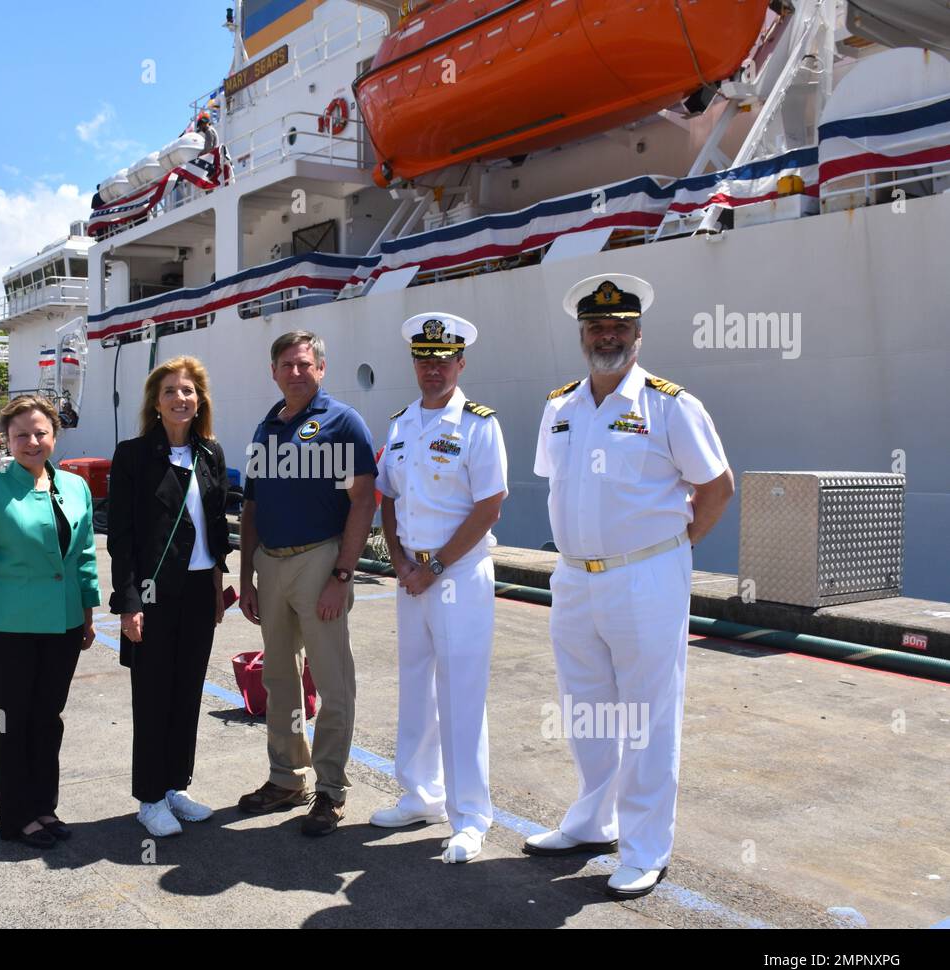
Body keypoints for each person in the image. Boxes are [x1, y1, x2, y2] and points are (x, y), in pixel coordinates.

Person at [525, 273, 735, 898]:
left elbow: (717, 487)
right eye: (596, 327)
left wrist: (672, 549)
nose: (607, 336)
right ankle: (593, 821)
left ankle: (646, 847)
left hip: (646, 576)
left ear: (638, 335)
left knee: (647, 715)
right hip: (574, 577)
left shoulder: (671, 406)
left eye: (619, 327)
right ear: (583, 334)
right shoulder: (559, 407)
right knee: (585, 708)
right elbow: (559, 486)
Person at [370, 313, 508, 864]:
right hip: (412, 578)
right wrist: (400, 561)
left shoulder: (479, 424)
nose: (432, 369)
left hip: (460, 577)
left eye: (442, 360)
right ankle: (421, 794)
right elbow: (386, 497)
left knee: (461, 694)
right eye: (424, 360)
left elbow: (490, 504)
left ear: (460, 364)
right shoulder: (402, 423)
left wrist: (436, 566)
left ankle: (470, 816)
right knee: (416, 686)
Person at [237, 330, 377, 836]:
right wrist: (246, 573)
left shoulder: (343, 422)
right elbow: (251, 504)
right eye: (286, 365)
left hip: (320, 559)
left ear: (321, 368)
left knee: (333, 680)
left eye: (304, 364)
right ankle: (286, 778)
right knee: (279, 678)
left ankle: (331, 789)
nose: (295, 372)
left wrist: (342, 574)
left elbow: (364, 500)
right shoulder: (266, 427)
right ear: (273, 371)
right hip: (270, 563)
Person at [0, 395, 99, 848]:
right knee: (9, 721)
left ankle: (44, 807)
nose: (32, 442)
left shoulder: (75, 487)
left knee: (47, 719)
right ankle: (17, 817)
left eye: (40, 433)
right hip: (8, 630)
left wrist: (87, 614)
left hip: (62, 626)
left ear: (54, 436)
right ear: (6, 439)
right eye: (21, 435)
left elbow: (85, 558)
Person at [107, 356, 232, 838]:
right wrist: (130, 602)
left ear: (199, 400)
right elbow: (123, 537)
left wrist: (220, 587)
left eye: (188, 391)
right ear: (155, 404)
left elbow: (216, 526)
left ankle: (177, 786)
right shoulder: (133, 455)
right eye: (170, 392)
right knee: (153, 695)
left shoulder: (210, 454)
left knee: (188, 692)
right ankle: (149, 796)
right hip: (155, 596)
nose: (181, 399)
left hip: (200, 589)